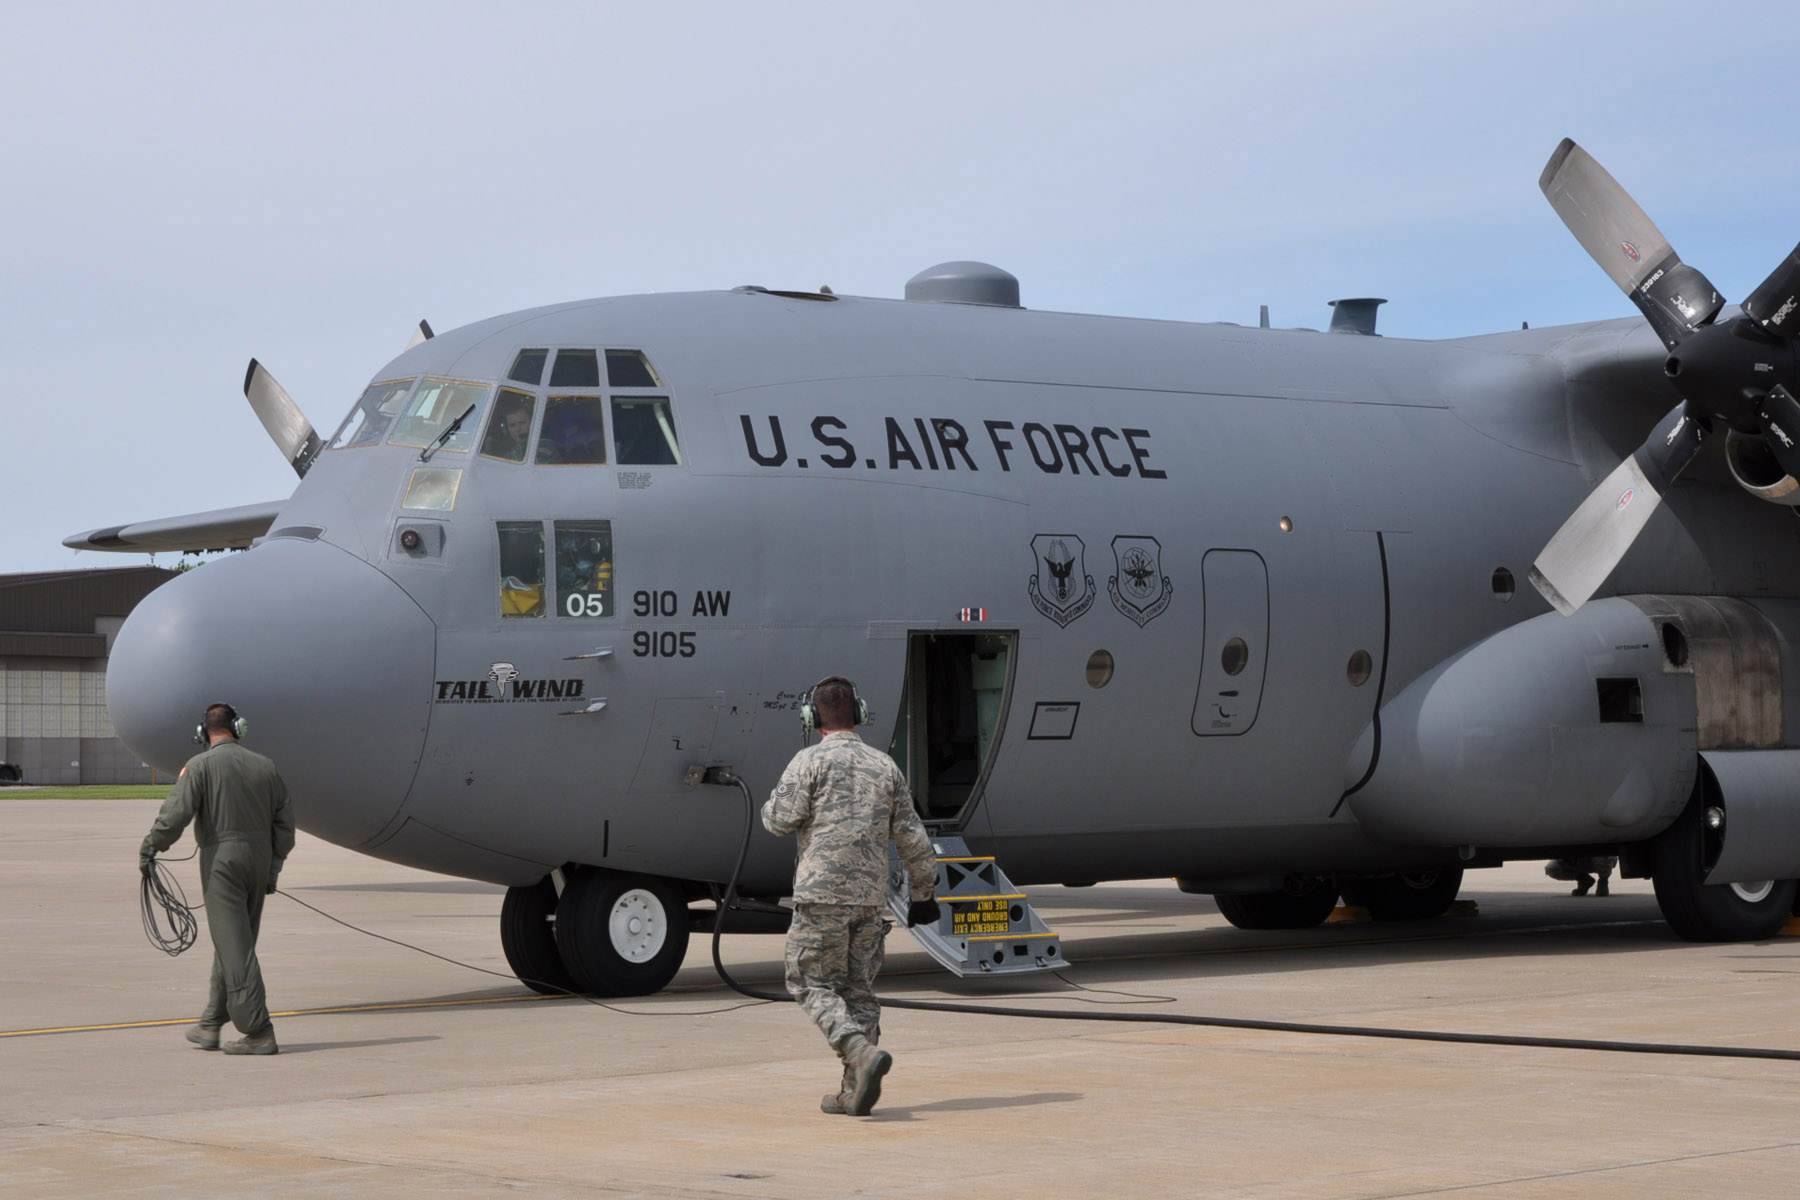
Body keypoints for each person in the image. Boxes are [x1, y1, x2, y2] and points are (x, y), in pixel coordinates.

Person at [762, 676, 939, 1117]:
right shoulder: (885, 766)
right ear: (858, 714)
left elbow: (778, 820)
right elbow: (914, 838)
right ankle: (853, 1089)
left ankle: (857, 1051)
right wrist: (923, 894)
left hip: (821, 895)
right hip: (869, 900)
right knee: (858, 989)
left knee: (810, 982)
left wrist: (776, 802)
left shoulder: (808, 761)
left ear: (812, 716)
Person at [140, 703, 295, 1055]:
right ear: (238, 728)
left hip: (222, 862)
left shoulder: (199, 766)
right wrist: (272, 869)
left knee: (235, 947)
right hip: (258, 860)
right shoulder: (266, 767)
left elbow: (175, 815)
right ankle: (211, 1023)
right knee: (235, 941)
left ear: (203, 733)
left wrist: (150, 848)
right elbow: (285, 826)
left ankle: (259, 1030)